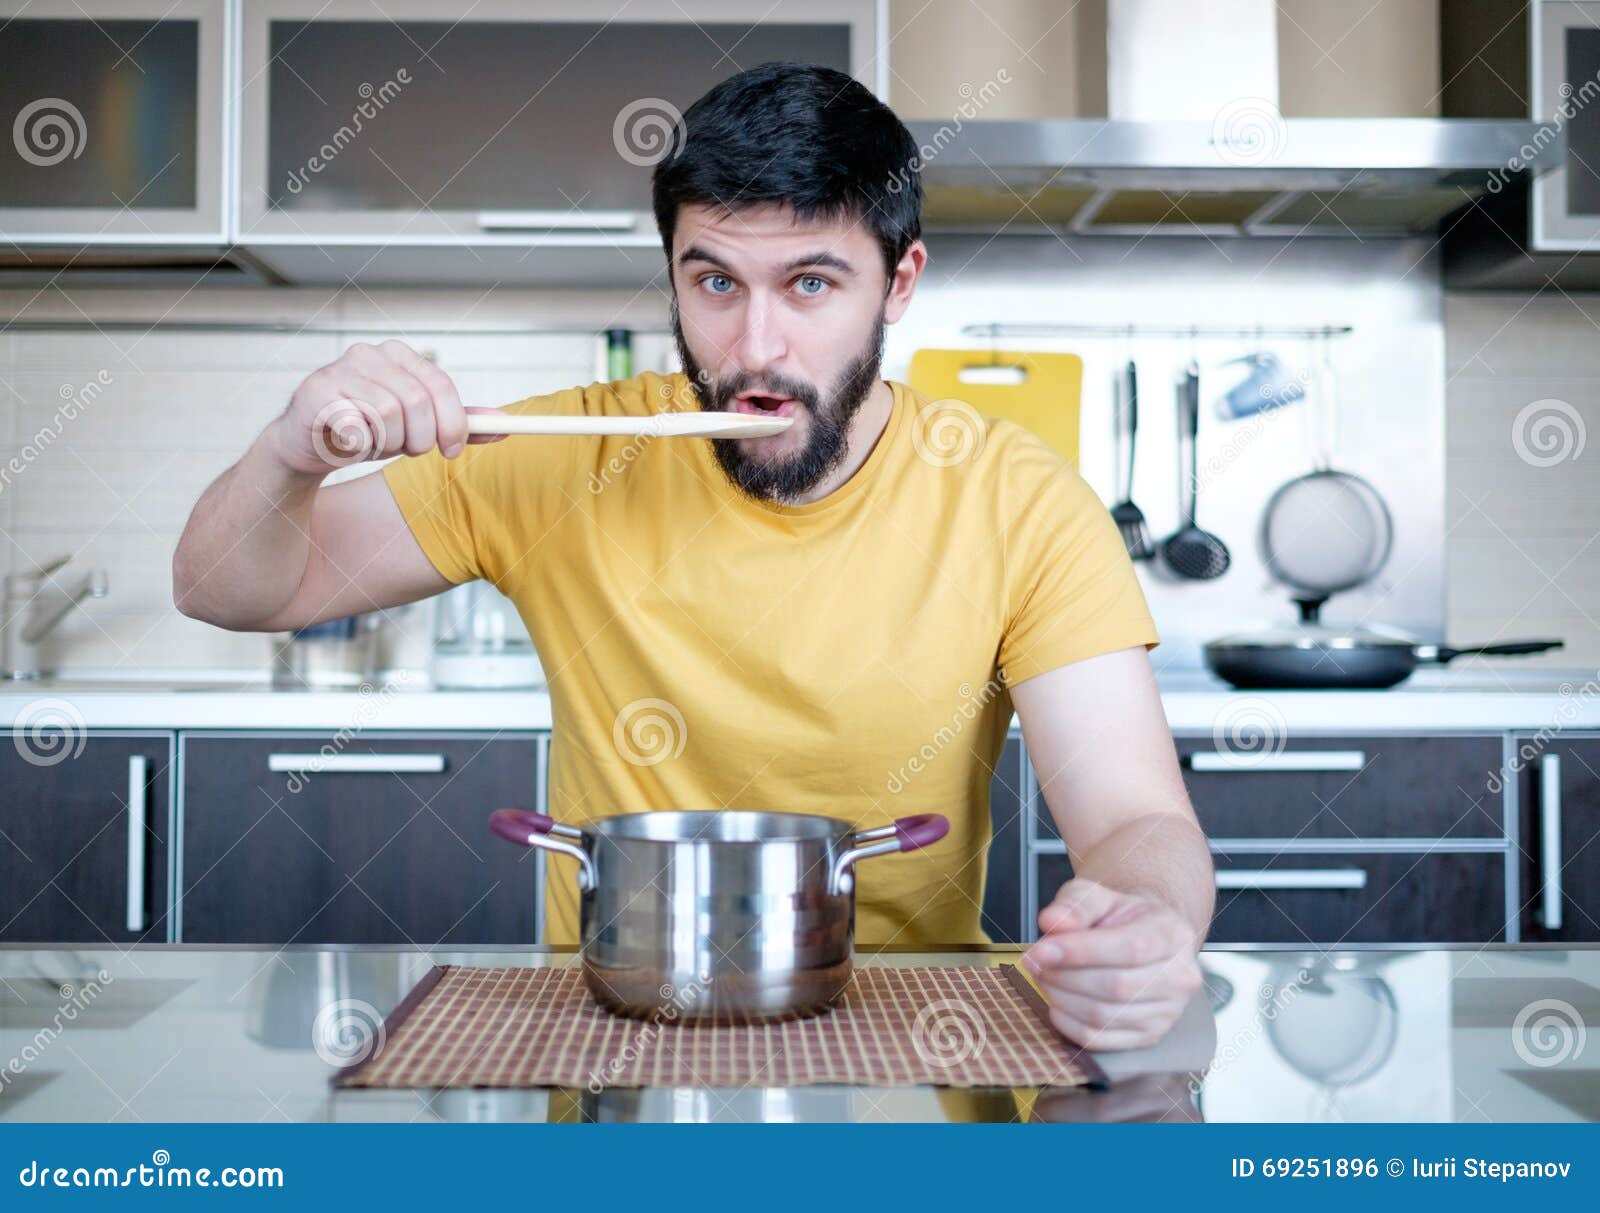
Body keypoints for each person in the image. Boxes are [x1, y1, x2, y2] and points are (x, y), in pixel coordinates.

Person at [172, 61, 1212, 1051]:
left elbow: (1134, 816)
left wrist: (1147, 921)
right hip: (611, 1027)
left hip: (914, 1029)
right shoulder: (553, 460)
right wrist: (288, 455)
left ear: (898, 284)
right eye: (714, 282)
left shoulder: (1016, 499)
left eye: (810, 284)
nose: (756, 346)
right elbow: (226, 589)